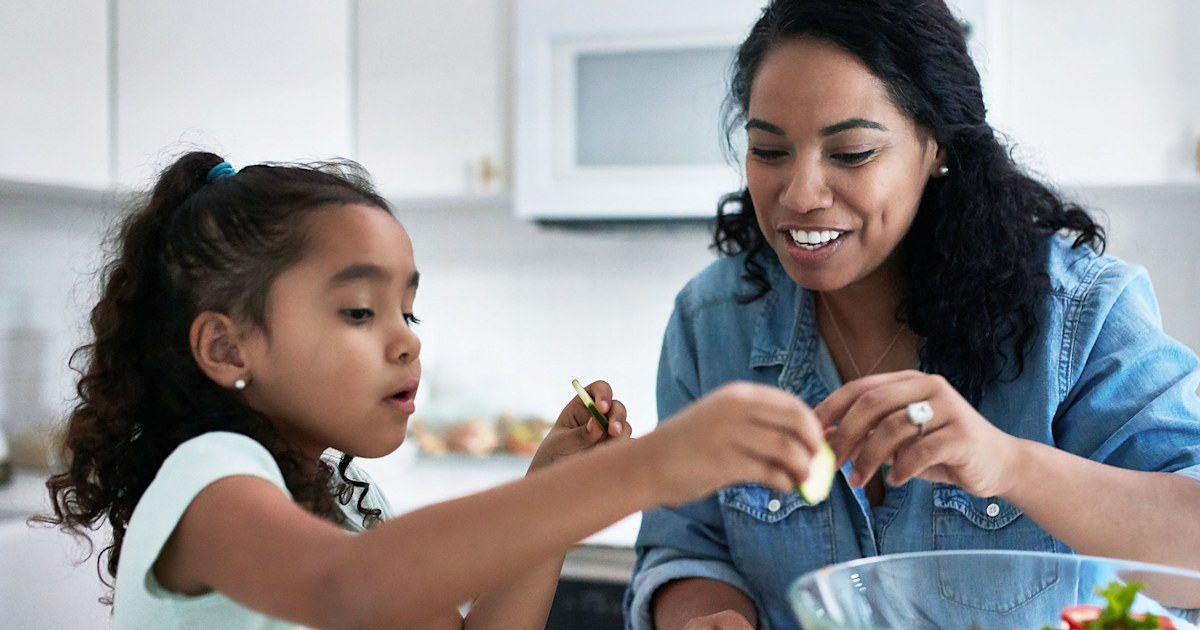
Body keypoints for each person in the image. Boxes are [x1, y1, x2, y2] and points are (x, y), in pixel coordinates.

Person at [37, 151, 829, 629]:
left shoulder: (350, 503)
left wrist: (555, 489)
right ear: (226, 345)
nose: (407, 336)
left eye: (408, 308)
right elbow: (341, 591)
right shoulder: (208, 480)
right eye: (358, 310)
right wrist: (644, 470)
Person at [625, 1, 1200, 629]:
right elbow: (687, 548)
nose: (800, 195)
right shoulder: (712, 322)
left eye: (850, 153)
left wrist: (1007, 462)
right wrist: (706, 615)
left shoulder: (1078, 314)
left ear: (937, 147)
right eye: (769, 150)